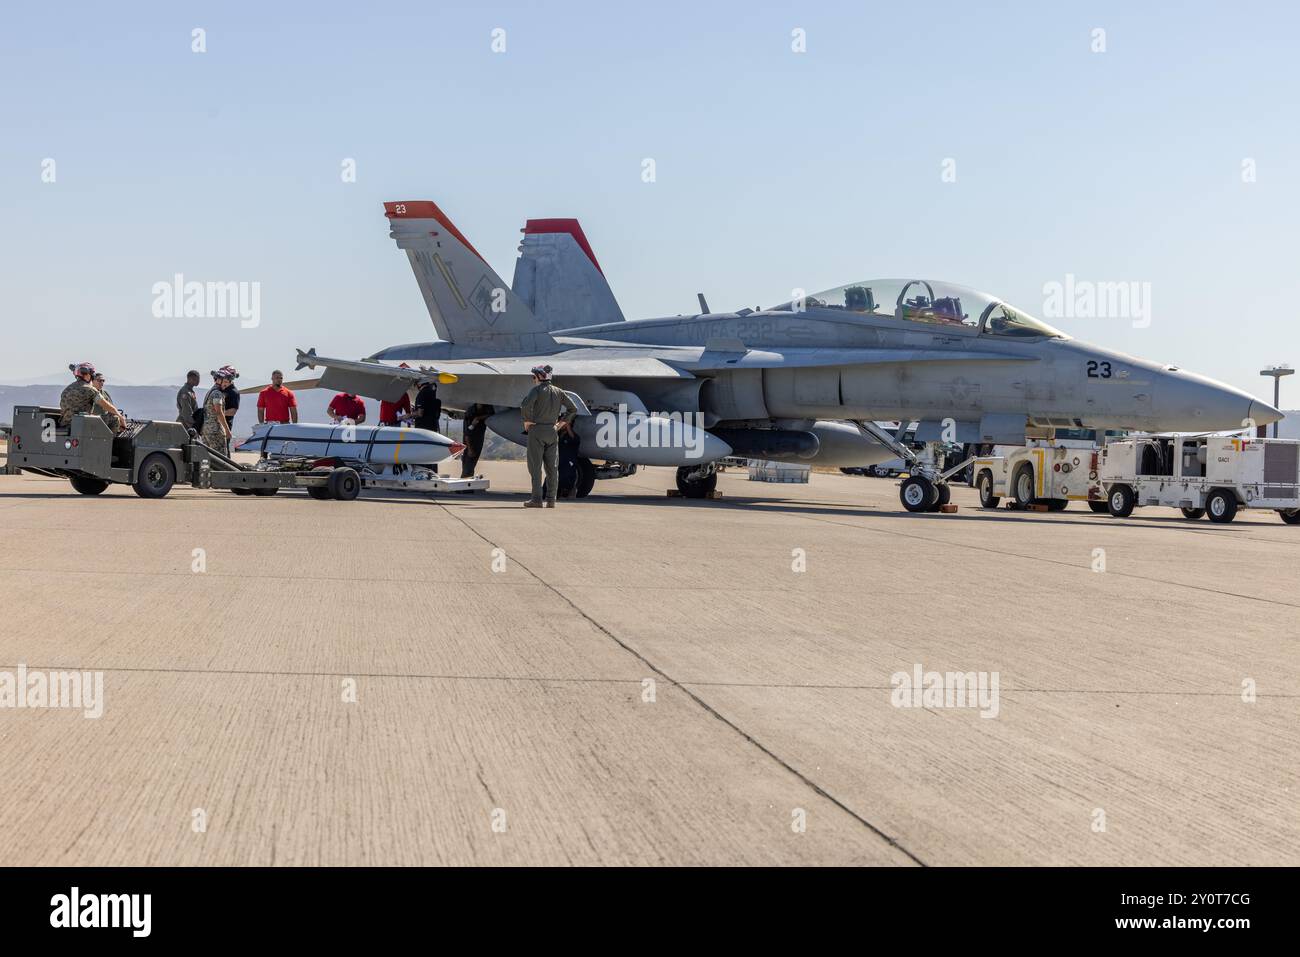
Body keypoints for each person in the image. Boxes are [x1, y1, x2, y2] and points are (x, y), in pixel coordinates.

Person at [519, 365, 576, 508]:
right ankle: (551, 500)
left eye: (534, 377)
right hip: (552, 431)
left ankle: (536, 500)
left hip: (537, 430)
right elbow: (573, 409)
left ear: (539, 377)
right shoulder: (559, 392)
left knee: (535, 467)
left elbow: (525, 406)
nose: (533, 380)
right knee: (552, 468)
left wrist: (526, 421)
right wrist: (560, 425)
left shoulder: (537, 390)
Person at [59, 362, 125, 431]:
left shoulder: (67, 389)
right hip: (81, 425)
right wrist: (120, 416)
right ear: (87, 375)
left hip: (65, 425)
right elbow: (105, 405)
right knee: (114, 418)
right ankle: (107, 441)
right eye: (92, 374)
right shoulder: (89, 389)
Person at [412, 380, 442, 474]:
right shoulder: (432, 394)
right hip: (432, 427)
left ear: (419, 384)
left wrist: (409, 415)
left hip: (423, 429)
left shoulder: (422, 394)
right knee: (431, 452)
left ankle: (423, 474)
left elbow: (420, 413)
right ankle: (432, 474)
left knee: (422, 452)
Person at [201, 370, 234, 453]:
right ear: (219, 380)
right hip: (215, 431)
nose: (226, 385)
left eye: (228, 382)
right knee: (221, 459)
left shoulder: (210, 392)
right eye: (225, 381)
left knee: (210, 460)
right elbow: (219, 412)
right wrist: (227, 430)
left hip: (206, 431)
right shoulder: (217, 394)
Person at [460, 403, 490, 478]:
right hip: (471, 445)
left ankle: (466, 486)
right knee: (468, 468)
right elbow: (467, 435)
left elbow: (490, 414)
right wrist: (470, 449)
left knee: (470, 467)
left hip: (477, 443)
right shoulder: (470, 419)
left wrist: (479, 418)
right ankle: (465, 487)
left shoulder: (480, 414)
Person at [217, 365, 241, 434]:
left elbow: (232, 411)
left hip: (224, 429)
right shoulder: (219, 389)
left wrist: (218, 414)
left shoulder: (233, 392)